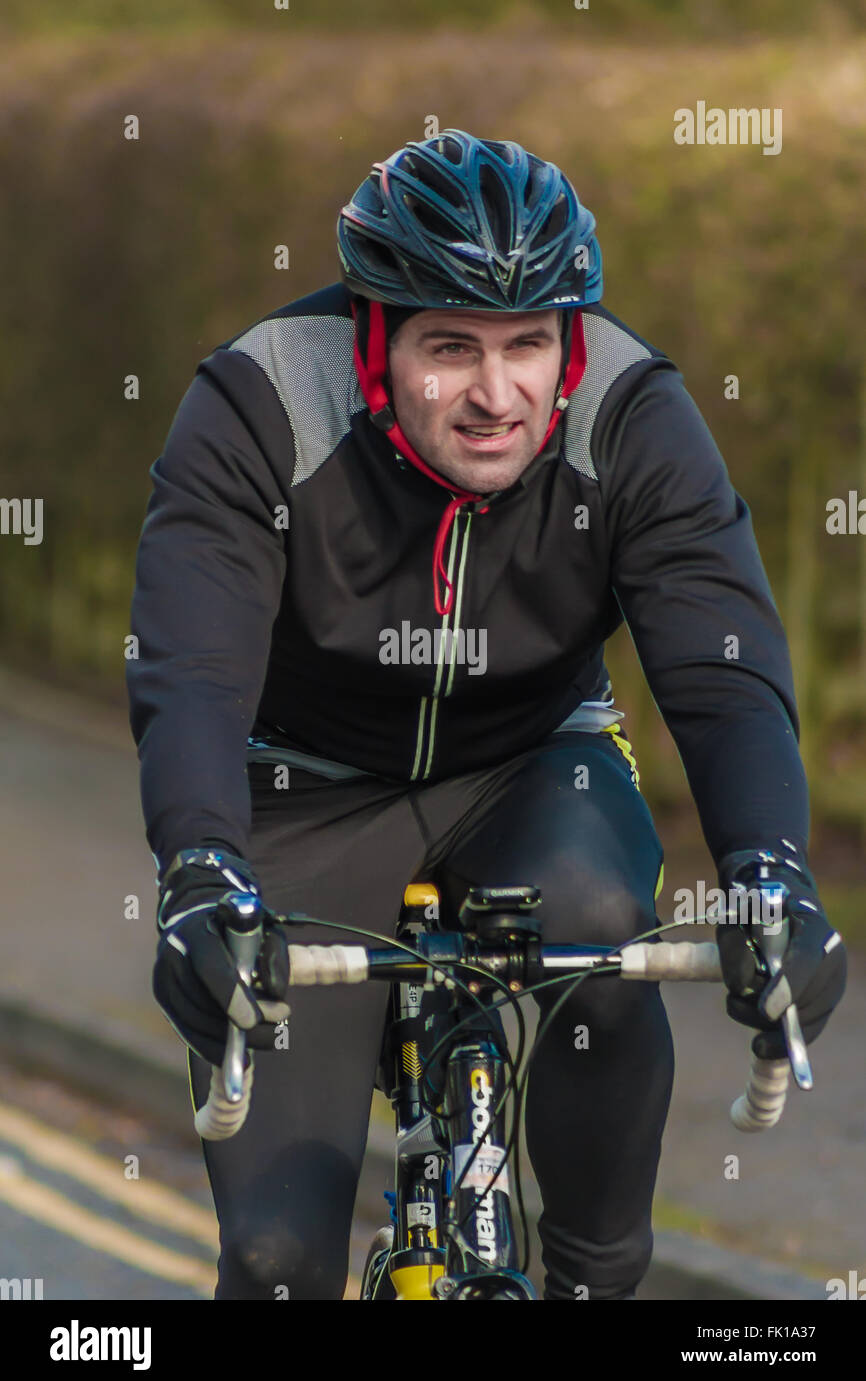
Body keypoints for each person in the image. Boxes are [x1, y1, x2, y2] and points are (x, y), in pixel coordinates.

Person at [126, 128, 846, 1301]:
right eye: (449, 347)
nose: (496, 393)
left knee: (603, 925)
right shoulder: (257, 402)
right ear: (375, 336)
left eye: (527, 346)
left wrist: (772, 872)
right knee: (271, 1263)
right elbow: (192, 667)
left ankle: (595, 1276)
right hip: (305, 785)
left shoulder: (630, 413)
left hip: (531, 766)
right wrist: (199, 870)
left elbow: (719, 667)